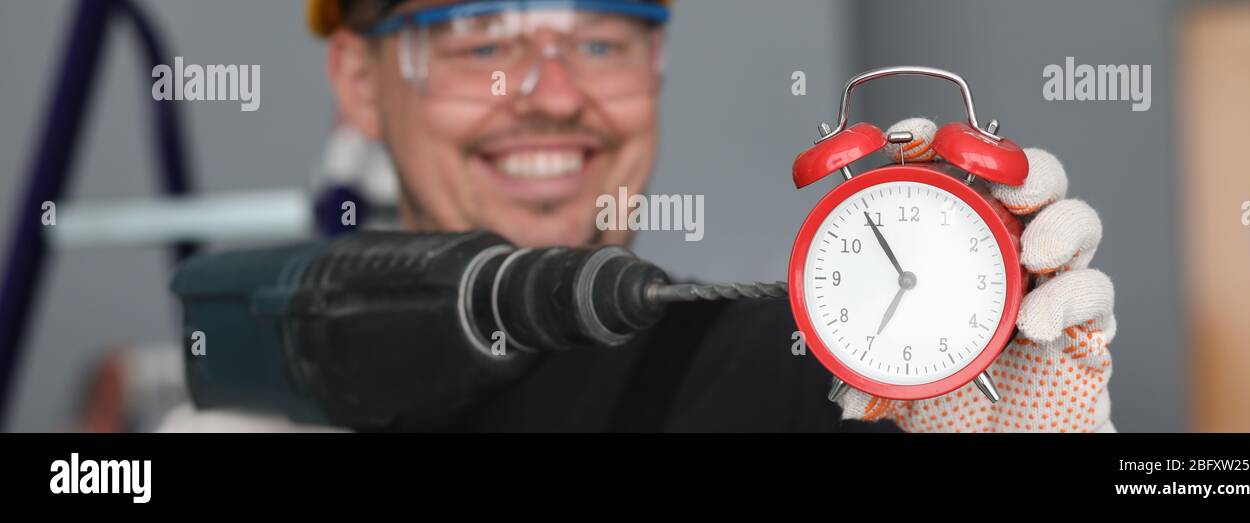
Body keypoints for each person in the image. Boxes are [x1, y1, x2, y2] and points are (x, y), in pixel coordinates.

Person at [163, 0, 1116, 432]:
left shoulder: (828, 369)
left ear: (656, 69)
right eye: (478, 36)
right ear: (359, 79)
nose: (549, 94)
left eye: (600, 37)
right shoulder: (282, 383)